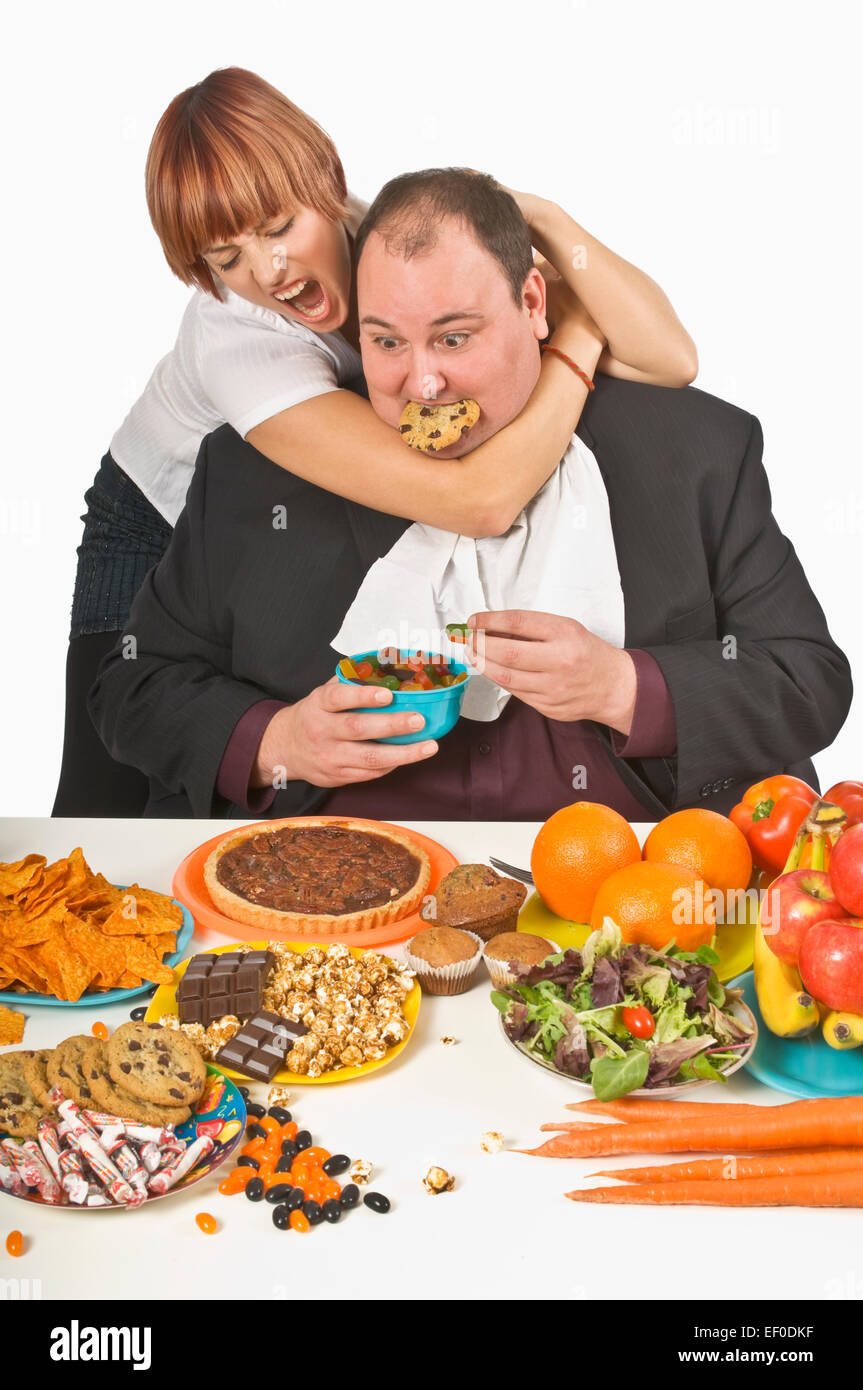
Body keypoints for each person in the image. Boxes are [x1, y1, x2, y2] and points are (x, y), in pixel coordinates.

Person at [88, 171, 852, 821]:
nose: (423, 384)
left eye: (454, 338)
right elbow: (133, 687)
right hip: (333, 897)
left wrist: (624, 686)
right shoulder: (259, 466)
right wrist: (275, 742)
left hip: (620, 889)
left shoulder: (692, 448)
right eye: (385, 342)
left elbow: (808, 680)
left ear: (531, 302)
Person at [53, 66, 696, 817]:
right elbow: (478, 501)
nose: (268, 271)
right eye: (225, 261)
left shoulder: (390, 236)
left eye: (278, 228)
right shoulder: (236, 342)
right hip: (157, 517)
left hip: (277, 518)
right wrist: (578, 342)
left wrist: (537, 215)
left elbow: (671, 358)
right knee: (104, 790)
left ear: (327, 184)